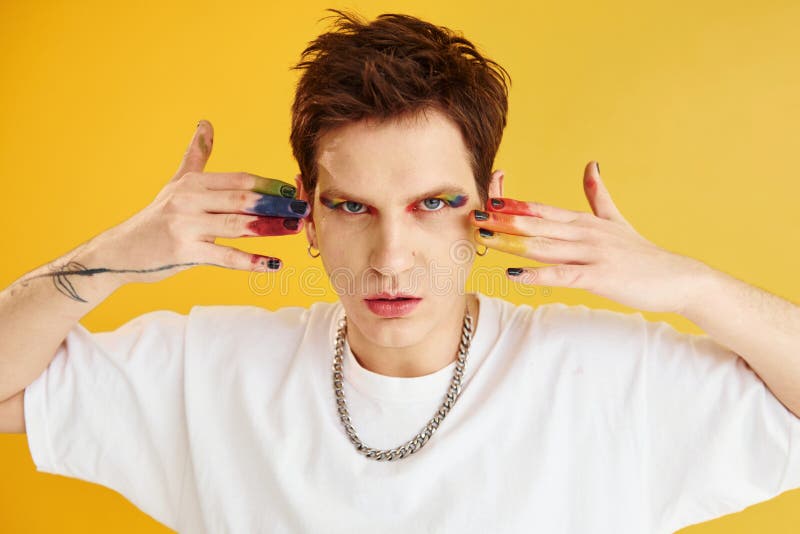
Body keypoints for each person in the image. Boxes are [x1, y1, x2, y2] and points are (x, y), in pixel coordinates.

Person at [1, 9, 799, 534]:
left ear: (489, 205)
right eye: (353, 208)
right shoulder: (211, 371)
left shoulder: (604, 377)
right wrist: (107, 260)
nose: (390, 259)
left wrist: (693, 285)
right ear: (306, 216)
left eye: (432, 203)